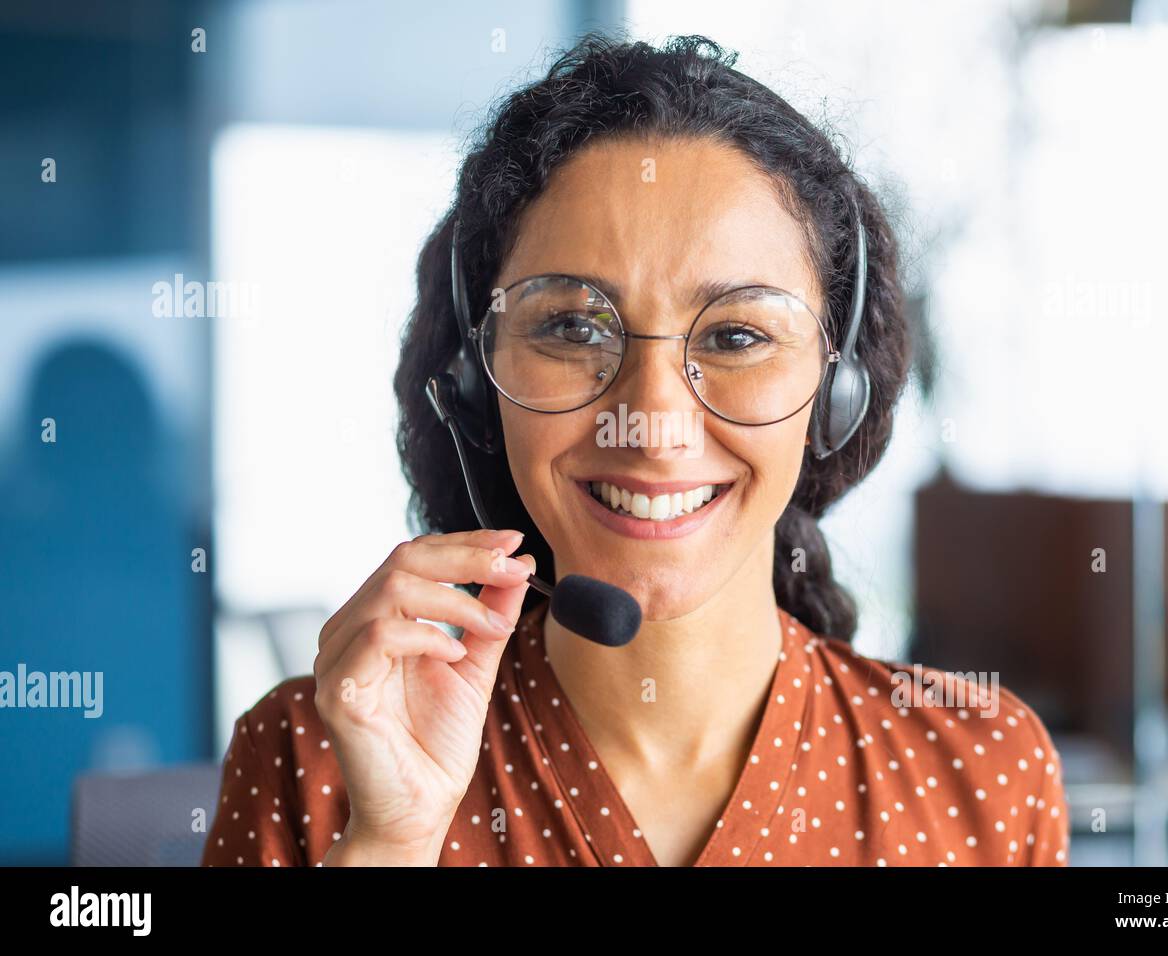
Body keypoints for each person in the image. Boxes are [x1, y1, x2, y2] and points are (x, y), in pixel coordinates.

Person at [201, 33, 1069, 867]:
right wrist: (389, 846)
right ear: (474, 381)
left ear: (835, 393)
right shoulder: (320, 758)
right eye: (574, 326)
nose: (652, 426)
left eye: (735, 336)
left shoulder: (984, 777)